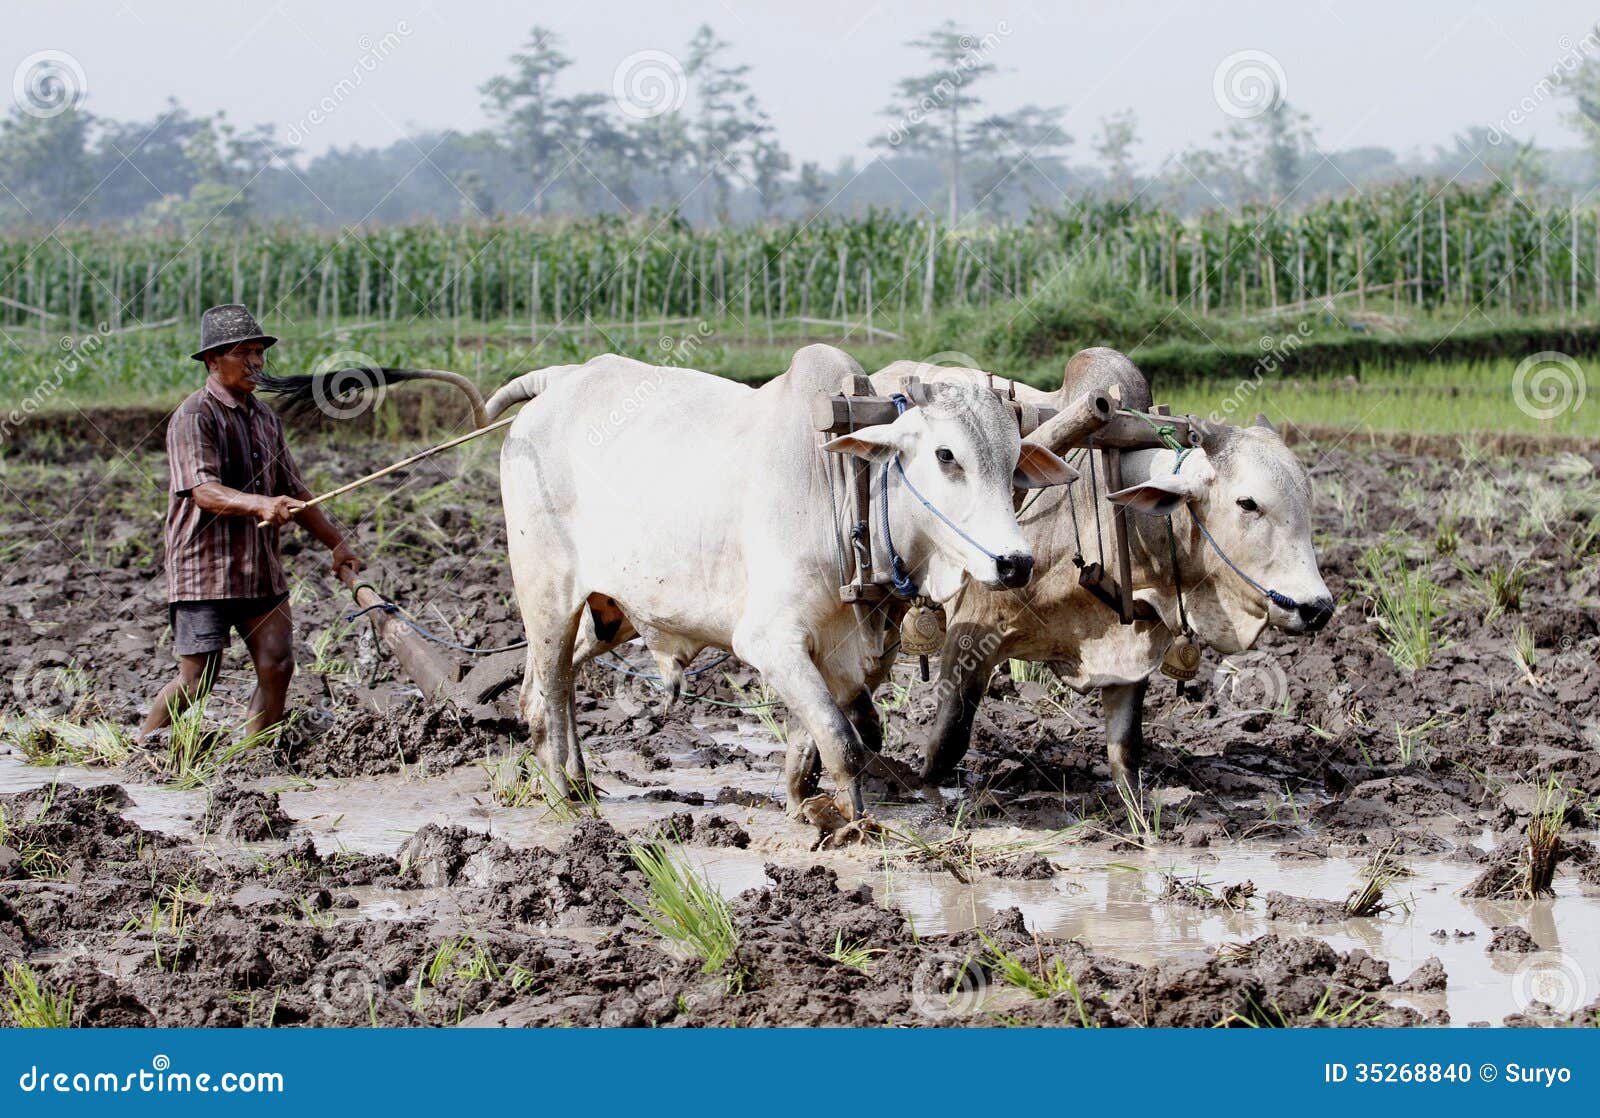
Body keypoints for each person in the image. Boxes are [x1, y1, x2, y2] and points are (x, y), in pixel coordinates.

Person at [137, 304, 363, 743]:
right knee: (197, 680)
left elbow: (296, 492)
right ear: (212, 360)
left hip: (259, 567)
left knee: (278, 664)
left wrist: (337, 543)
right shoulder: (193, 416)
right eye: (244, 353)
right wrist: (260, 504)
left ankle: (253, 757)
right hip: (203, 569)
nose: (256, 363)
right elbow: (203, 490)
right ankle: (141, 749)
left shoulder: (264, 418)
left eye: (259, 352)